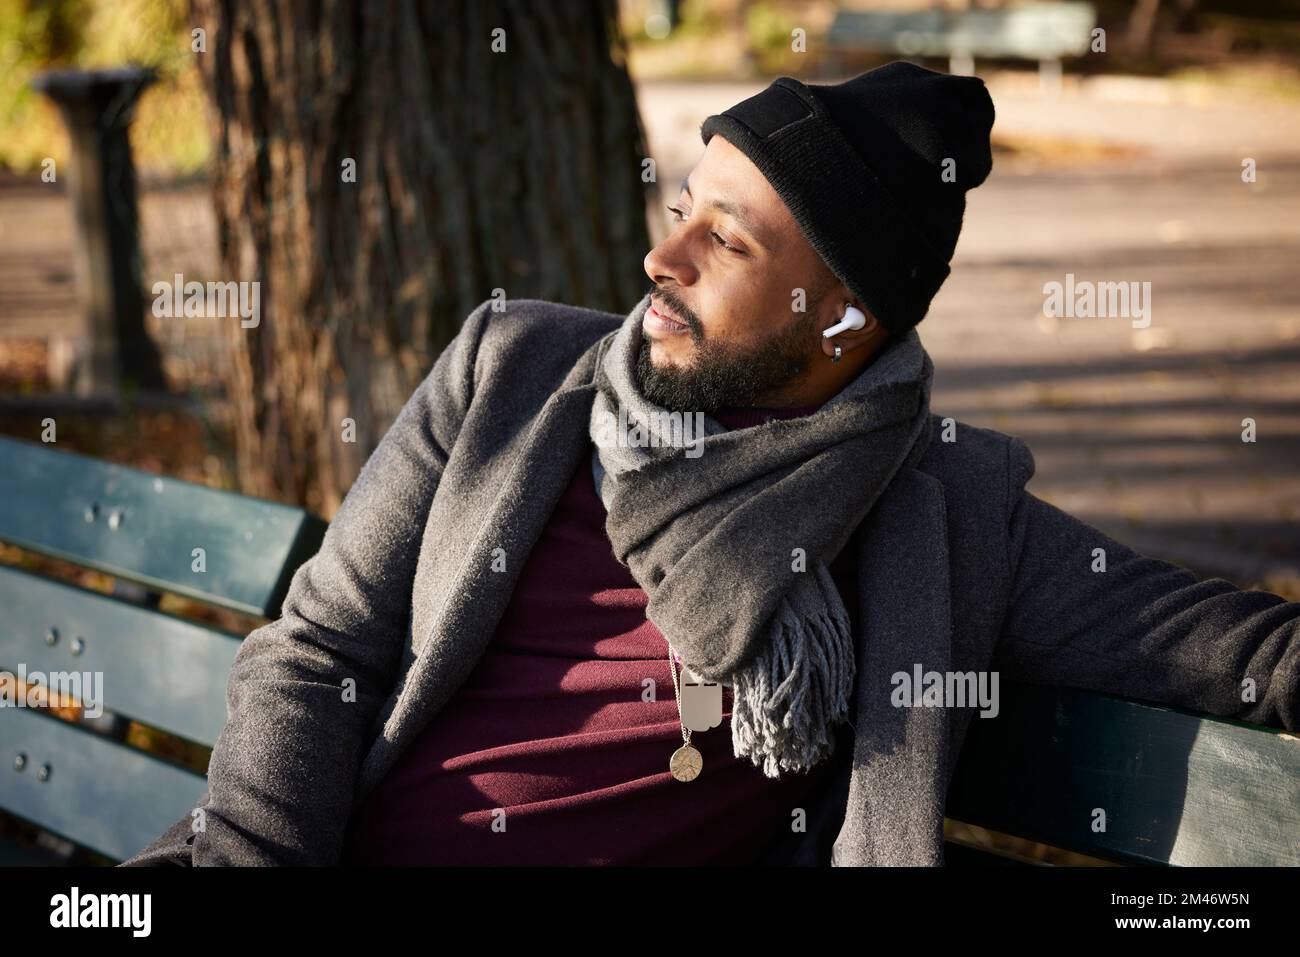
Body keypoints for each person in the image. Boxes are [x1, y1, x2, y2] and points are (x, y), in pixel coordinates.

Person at [121, 61, 1298, 867]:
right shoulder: (513, 374)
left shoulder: (939, 511)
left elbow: (1238, 651)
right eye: (683, 208)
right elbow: (318, 647)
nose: (657, 256)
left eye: (723, 240)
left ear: (845, 325)